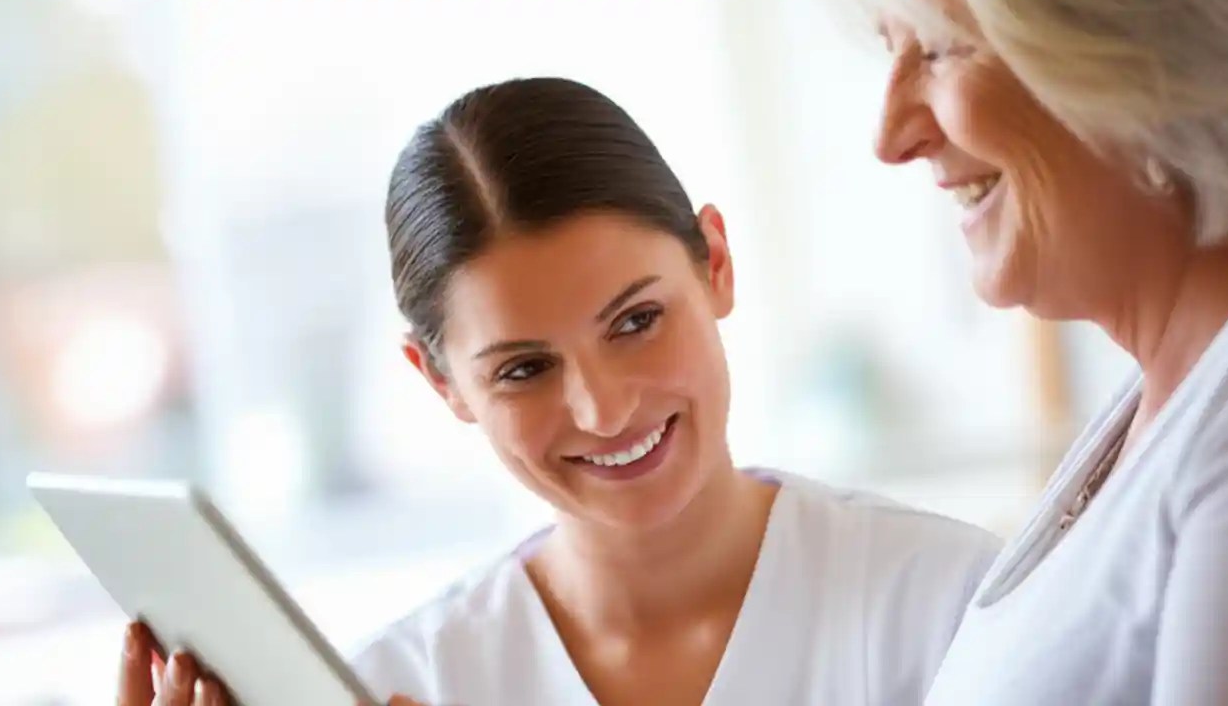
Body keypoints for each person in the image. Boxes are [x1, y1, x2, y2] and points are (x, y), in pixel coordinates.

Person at [115, 77, 1000, 705]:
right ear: (441, 383)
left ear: (716, 265)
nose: (604, 410)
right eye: (523, 369)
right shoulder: (396, 685)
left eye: (635, 321)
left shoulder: (949, 605)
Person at [845, 0, 1228, 703]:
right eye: (892, 46)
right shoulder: (1163, 399)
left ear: (1144, 51)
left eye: (940, 49)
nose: (890, 136)